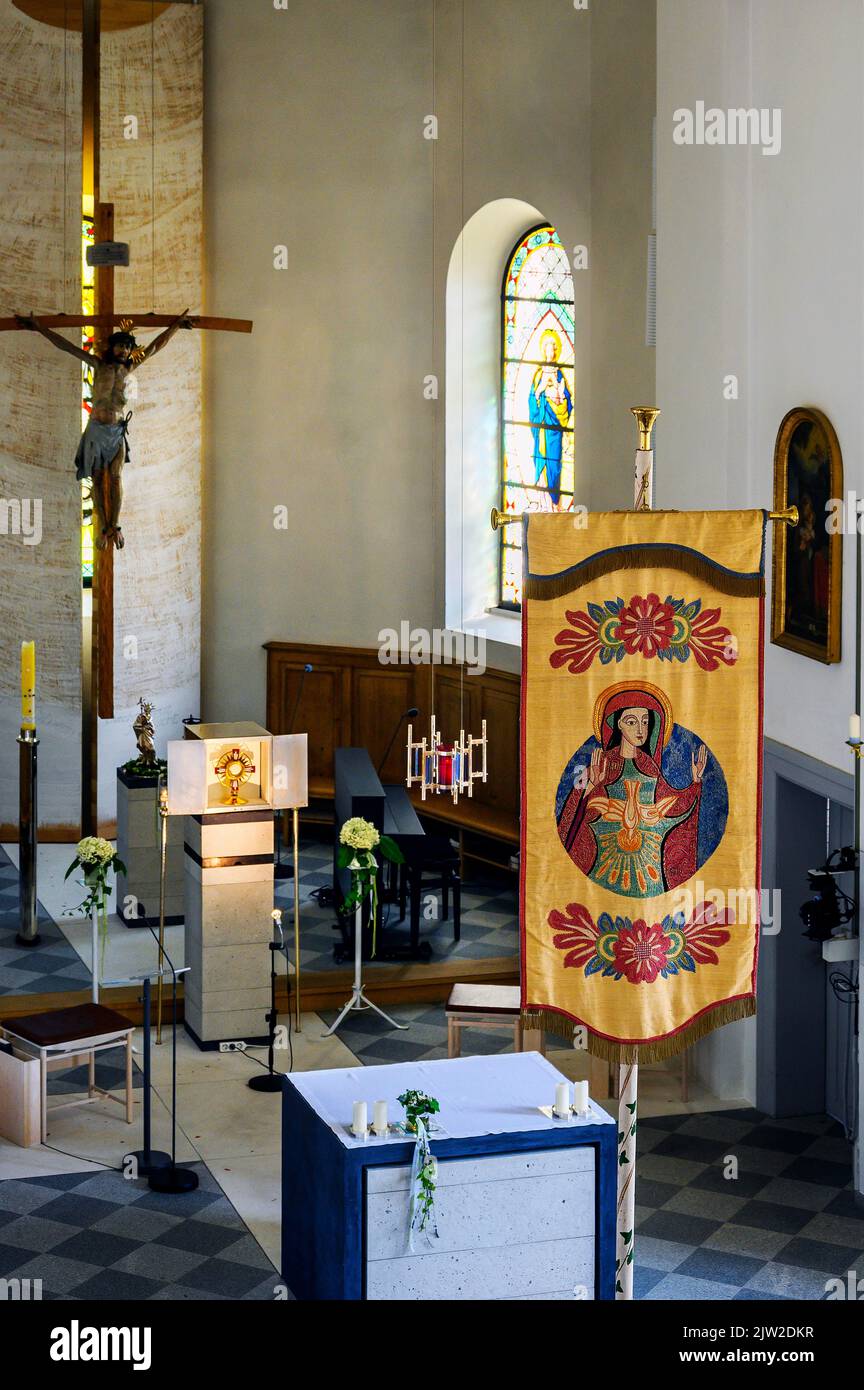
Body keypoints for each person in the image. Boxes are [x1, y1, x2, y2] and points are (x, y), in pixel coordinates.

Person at [16, 309, 192, 549]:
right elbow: (67, 346)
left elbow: (155, 346)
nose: (123, 350)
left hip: (116, 431)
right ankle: (103, 529)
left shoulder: (128, 369)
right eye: (119, 346)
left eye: (127, 347)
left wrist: (176, 326)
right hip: (97, 430)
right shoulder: (99, 365)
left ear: (130, 350)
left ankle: (115, 526)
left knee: (116, 476)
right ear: (112, 348)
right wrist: (39, 328)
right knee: (99, 479)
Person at [557, 682, 706, 897]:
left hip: (648, 864)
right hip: (605, 858)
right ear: (618, 725)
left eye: (645, 722)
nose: (640, 729)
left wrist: (695, 782)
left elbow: (671, 805)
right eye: (632, 721)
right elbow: (575, 812)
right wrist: (591, 784)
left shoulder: (649, 764)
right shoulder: (604, 762)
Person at [528, 328, 572, 506]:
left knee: (554, 465)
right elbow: (532, 401)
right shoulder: (539, 374)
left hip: (555, 429)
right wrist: (539, 390)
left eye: (553, 348)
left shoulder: (560, 373)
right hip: (542, 425)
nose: (551, 351)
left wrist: (560, 394)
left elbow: (567, 403)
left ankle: (555, 504)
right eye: (547, 347)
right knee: (542, 461)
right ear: (543, 350)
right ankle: (543, 503)